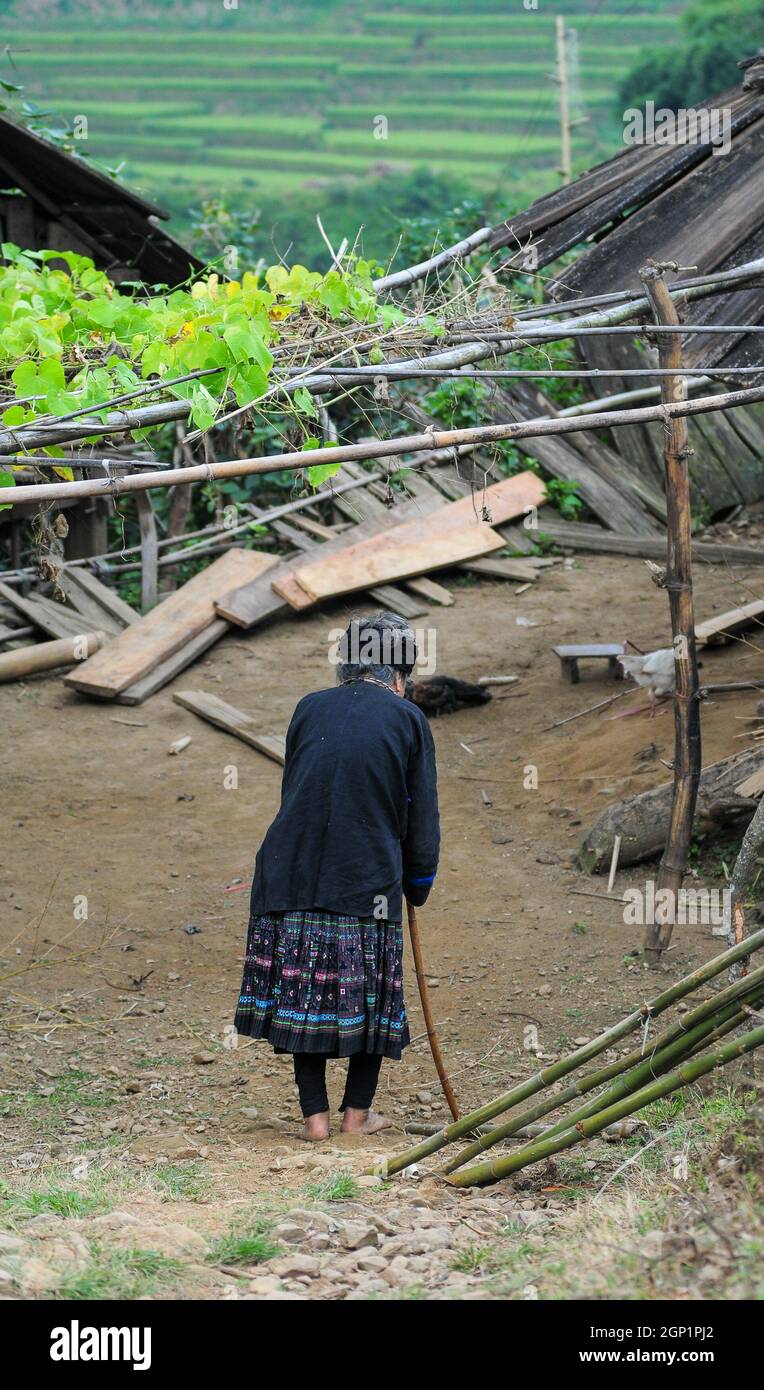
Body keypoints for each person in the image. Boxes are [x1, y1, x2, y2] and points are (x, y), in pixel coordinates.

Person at [234, 612, 440, 1140]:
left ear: (347, 664)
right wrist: (417, 884)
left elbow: (298, 792)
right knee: (369, 997)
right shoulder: (408, 718)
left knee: (308, 996)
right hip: (363, 880)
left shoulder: (308, 708)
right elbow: (421, 819)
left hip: (289, 873)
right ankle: (356, 1117)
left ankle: (316, 1121)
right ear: (401, 672)